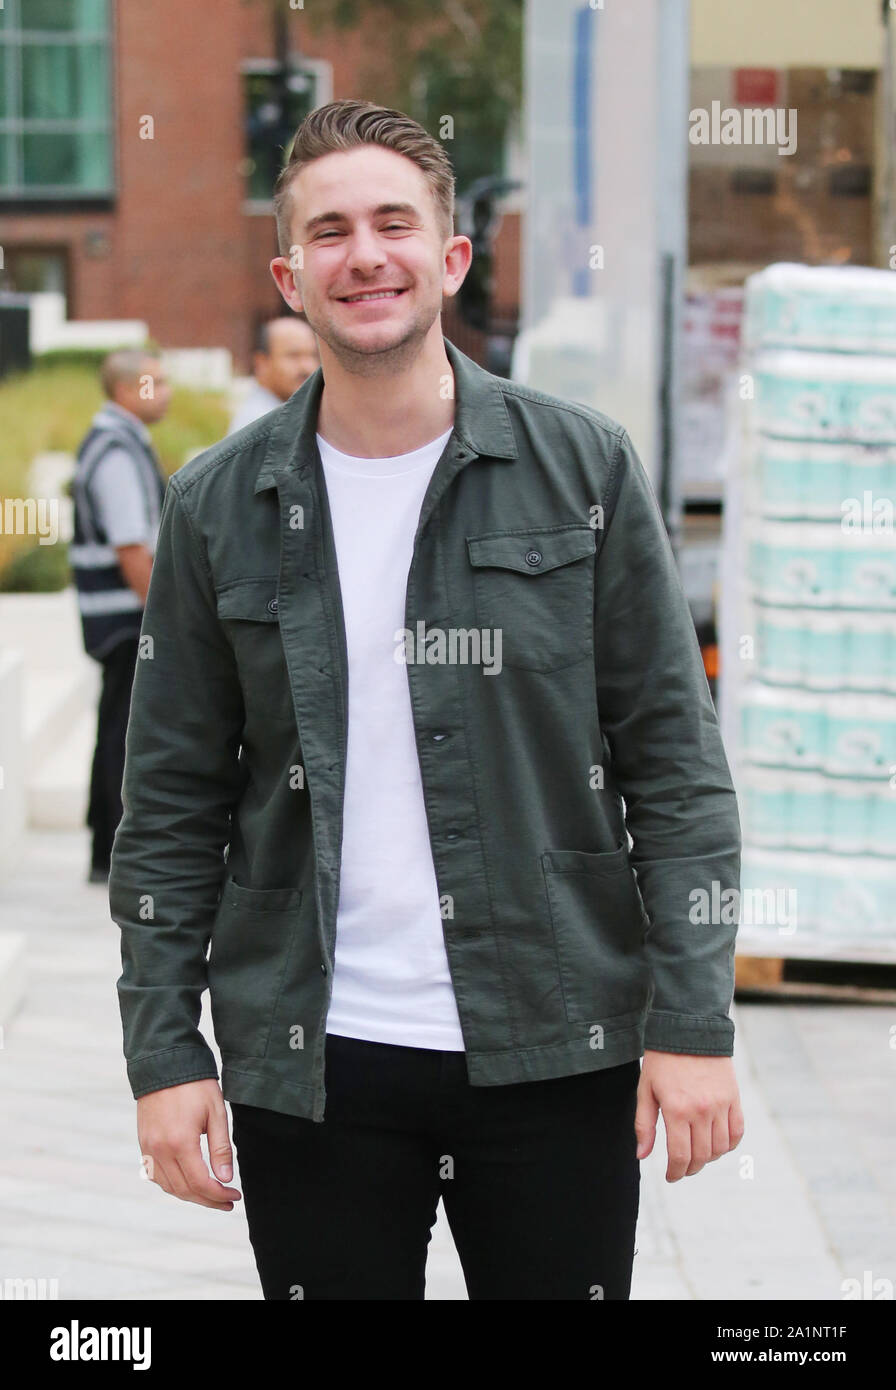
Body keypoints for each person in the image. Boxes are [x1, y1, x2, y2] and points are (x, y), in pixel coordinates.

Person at [109, 99, 744, 1301]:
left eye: (394, 224)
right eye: (331, 231)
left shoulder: (581, 466)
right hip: (314, 1064)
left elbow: (673, 763)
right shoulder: (216, 502)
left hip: (555, 1048)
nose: (366, 256)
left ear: (449, 259)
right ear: (290, 275)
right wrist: (161, 1053)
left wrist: (693, 1020)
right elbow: (171, 799)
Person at [70, 349, 171, 884]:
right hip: (125, 619)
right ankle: (109, 849)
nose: (168, 393)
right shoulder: (116, 449)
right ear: (130, 389)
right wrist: (169, 620)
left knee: (116, 726)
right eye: (160, 383)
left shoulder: (119, 441)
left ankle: (102, 845)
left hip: (116, 617)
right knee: (124, 731)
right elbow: (132, 549)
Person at [227, 314, 319, 433]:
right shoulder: (259, 427)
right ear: (261, 363)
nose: (307, 367)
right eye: (294, 356)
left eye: (312, 355)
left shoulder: (293, 414)